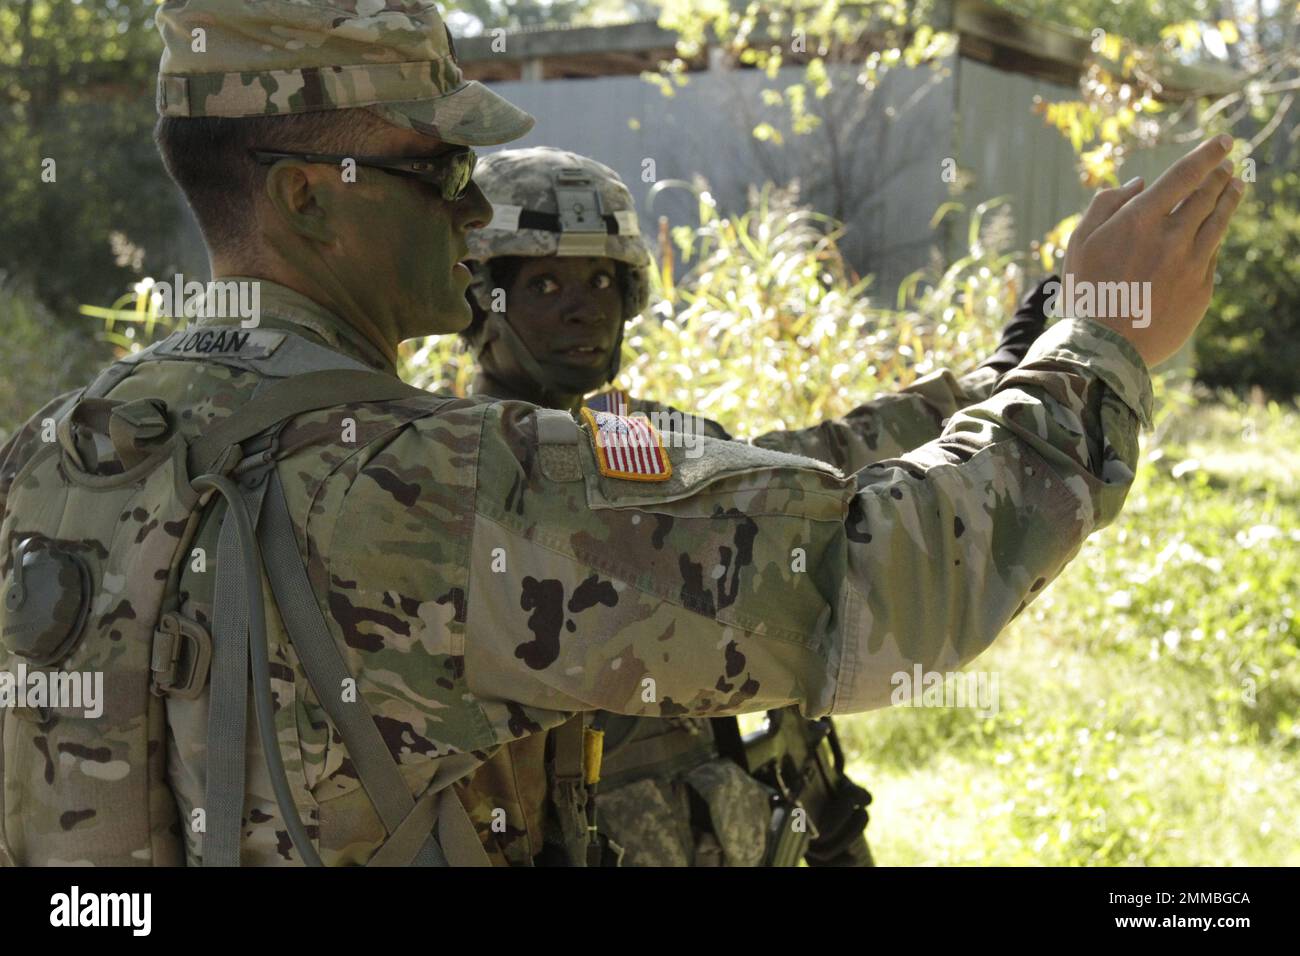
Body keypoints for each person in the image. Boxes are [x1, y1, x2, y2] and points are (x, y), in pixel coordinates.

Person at [0, 0, 1242, 867]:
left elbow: (791, 469)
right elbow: (886, 576)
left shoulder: (50, 461)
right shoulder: (423, 486)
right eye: (440, 170)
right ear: (306, 197)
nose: (478, 206)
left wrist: (1003, 363)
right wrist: (1101, 344)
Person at [454, 146, 1057, 866]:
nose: (585, 307)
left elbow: (811, 472)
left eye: (603, 280)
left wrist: (998, 378)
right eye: (544, 282)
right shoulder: (459, 469)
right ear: (478, 299)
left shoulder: (644, 437)